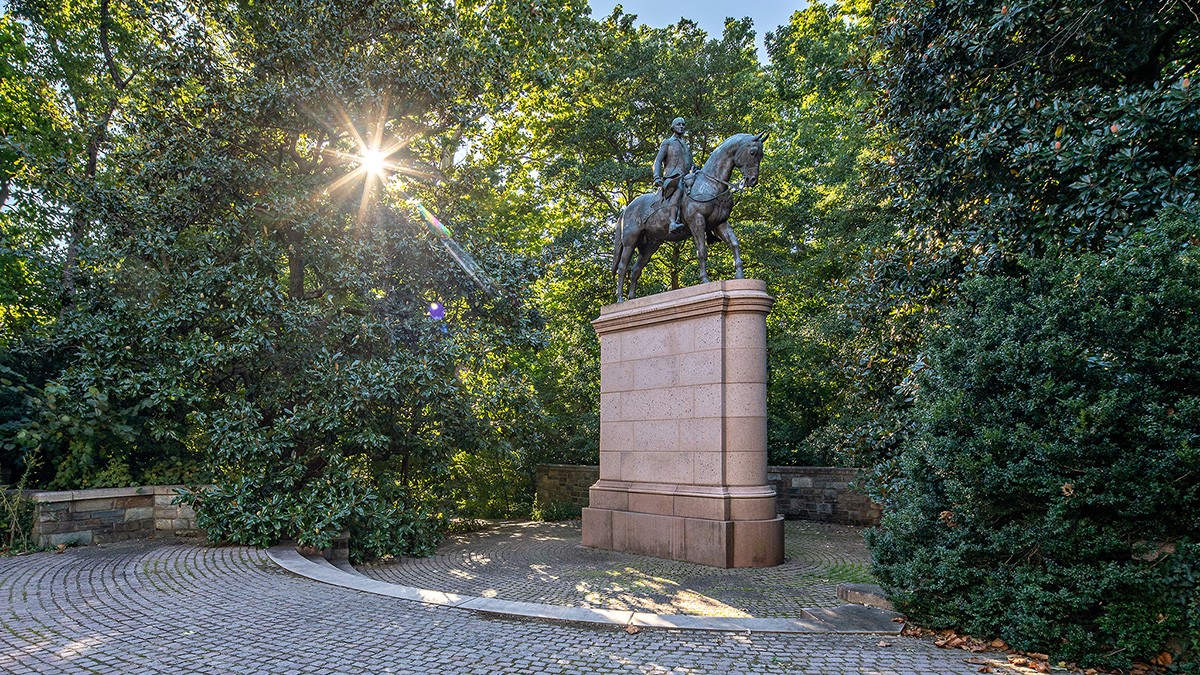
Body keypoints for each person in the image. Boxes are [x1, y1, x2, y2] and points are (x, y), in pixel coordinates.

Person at [652, 117, 695, 234]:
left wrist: (696, 170)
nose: (681, 126)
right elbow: (657, 161)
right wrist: (656, 177)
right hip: (672, 178)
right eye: (678, 124)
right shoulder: (667, 143)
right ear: (673, 127)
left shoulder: (686, 146)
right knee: (680, 187)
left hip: (686, 177)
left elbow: (691, 163)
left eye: (683, 124)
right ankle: (672, 223)